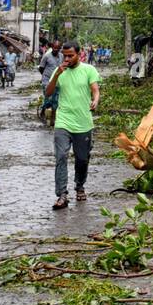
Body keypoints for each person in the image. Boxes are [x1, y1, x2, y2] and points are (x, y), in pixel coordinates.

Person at [47, 42, 99, 208]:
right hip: (63, 121)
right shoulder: (59, 71)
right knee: (61, 156)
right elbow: (47, 92)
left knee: (82, 159)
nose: (67, 58)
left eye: (71, 55)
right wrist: (56, 75)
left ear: (79, 54)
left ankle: (80, 186)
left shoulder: (89, 70)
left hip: (83, 123)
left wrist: (95, 100)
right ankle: (62, 194)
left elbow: (95, 89)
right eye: (65, 55)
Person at [38, 40, 62, 123]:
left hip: (57, 81)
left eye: (57, 48)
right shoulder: (46, 56)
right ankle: (43, 110)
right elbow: (41, 68)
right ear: (52, 47)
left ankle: (53, 117)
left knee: (56, 99)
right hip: (46, 80)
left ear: (60, 48)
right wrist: (45, 76)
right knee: (48, 98)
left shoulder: (62, 56)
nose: (56, 49)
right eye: (54, 47)